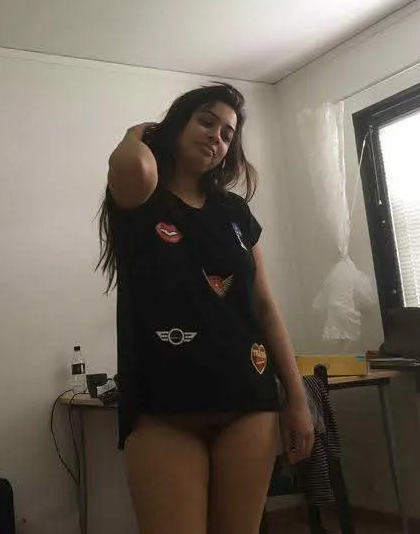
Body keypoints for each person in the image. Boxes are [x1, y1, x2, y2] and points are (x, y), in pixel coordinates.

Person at [97, 83, 314, 534]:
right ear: (177, 125)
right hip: (162, 410)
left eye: (228, 134)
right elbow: (134, 165)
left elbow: (264, 305)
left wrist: (297, 398)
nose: (217, 137)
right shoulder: (140, 199)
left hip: (248, 401)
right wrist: (137, 132)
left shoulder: (234, 212)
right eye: (206, 122)